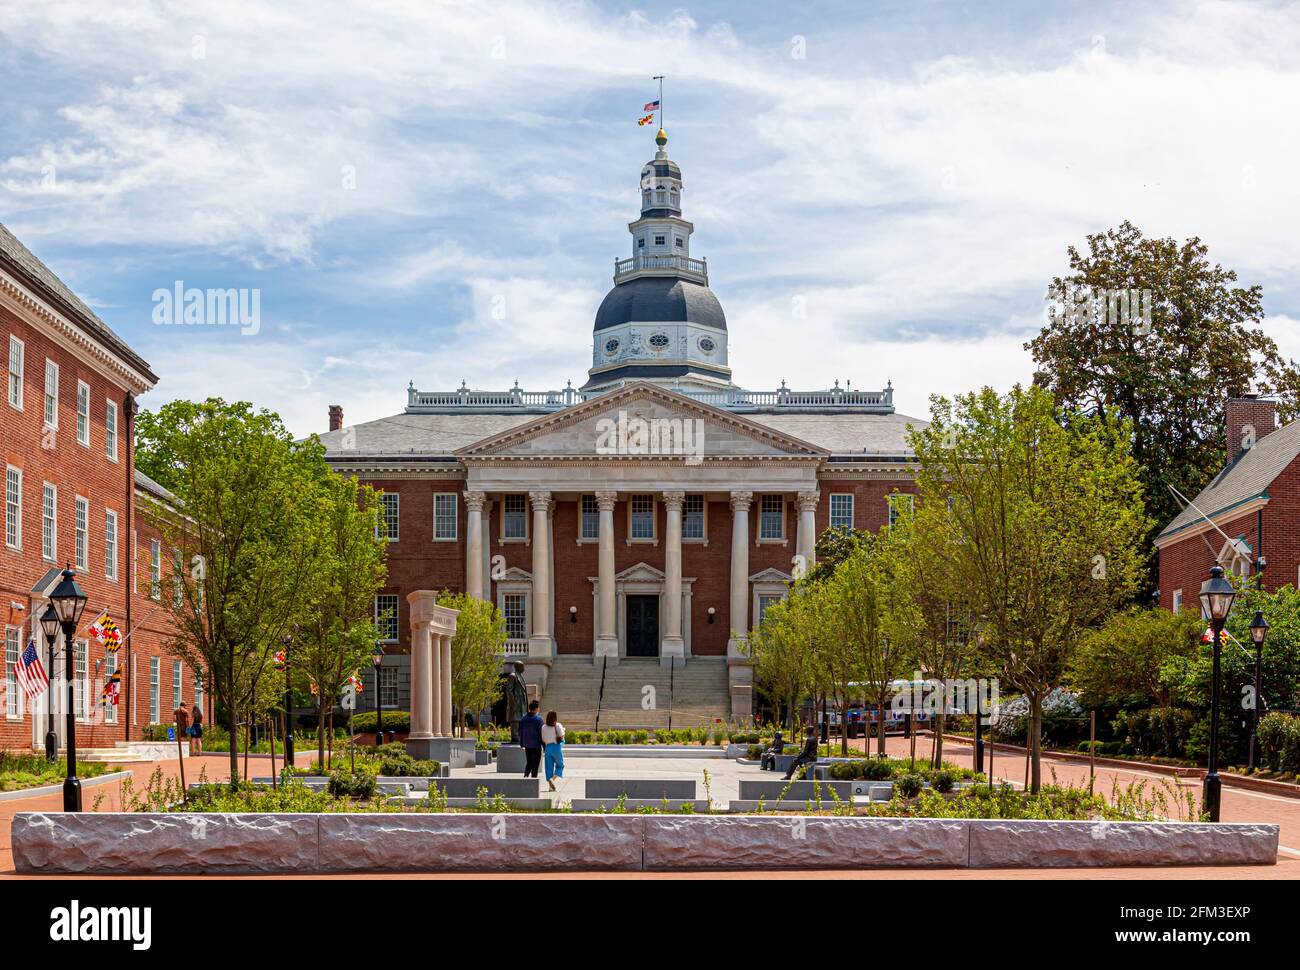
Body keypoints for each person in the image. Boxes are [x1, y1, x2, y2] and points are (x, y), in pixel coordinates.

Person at [541, 710, 565, 792]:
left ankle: (550, 787)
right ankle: (552, 779)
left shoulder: (543, 727)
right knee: (560, 765)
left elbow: (543, 739)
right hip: (556, 747)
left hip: (548, 747)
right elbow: (561, 736)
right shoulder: (557, 725)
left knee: (549, 767)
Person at [519, 700, 544, 778]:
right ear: (536, 709)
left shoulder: (523, 719)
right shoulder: (538, 719)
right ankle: (533, 779)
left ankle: (526, 776)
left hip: (527, 745)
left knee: (529, 762)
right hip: (536, 745)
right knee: (535, 764)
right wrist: (544, 746)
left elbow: (520, 731)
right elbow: (542, 733)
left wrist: (522, 743)